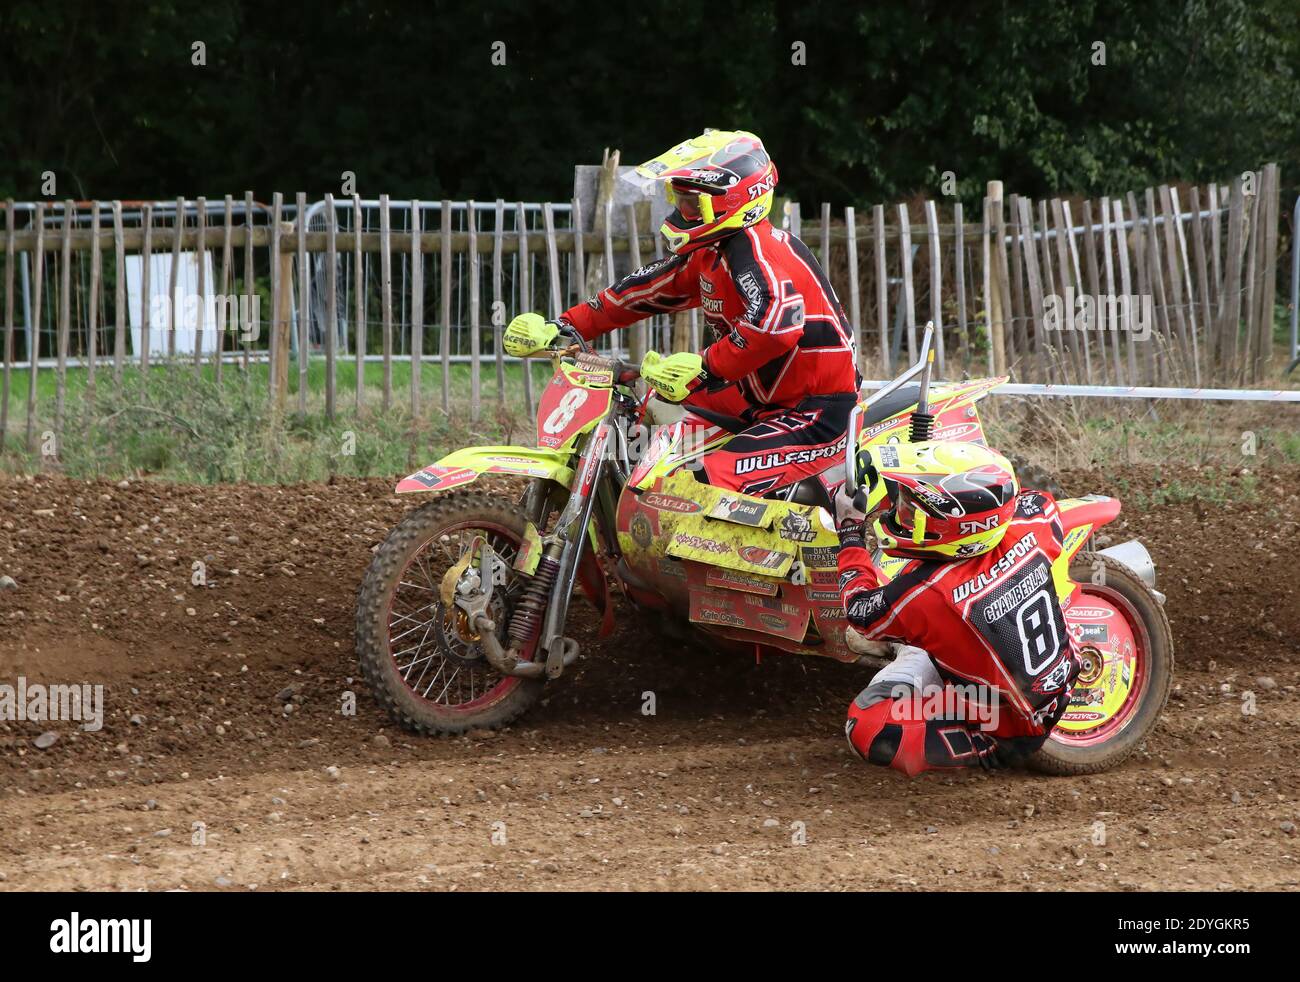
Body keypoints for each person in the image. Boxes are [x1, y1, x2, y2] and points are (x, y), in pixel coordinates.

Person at [502, 130, 859, 496]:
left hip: (814, 408)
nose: (680, 212)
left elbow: (776, 323)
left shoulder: (756, 248)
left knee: (706, 483)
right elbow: (640, 292)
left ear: (729, 203)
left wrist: (706, 366)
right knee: (644, 410)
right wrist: (564, 325)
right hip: (754, 397)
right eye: (679, 200)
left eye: (691, 203)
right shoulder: (711, 253)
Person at [832, 441, 1080, 776]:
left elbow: (859, 611)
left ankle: (983, 749)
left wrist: (849, 532)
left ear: (956, 529)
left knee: (868, 727)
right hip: (1058, 681)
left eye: (910, 510)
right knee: (922, 604)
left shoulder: (928, 594)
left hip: (1007, 730)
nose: (901, 515)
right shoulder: (1035, 518)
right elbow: (1033, 501)